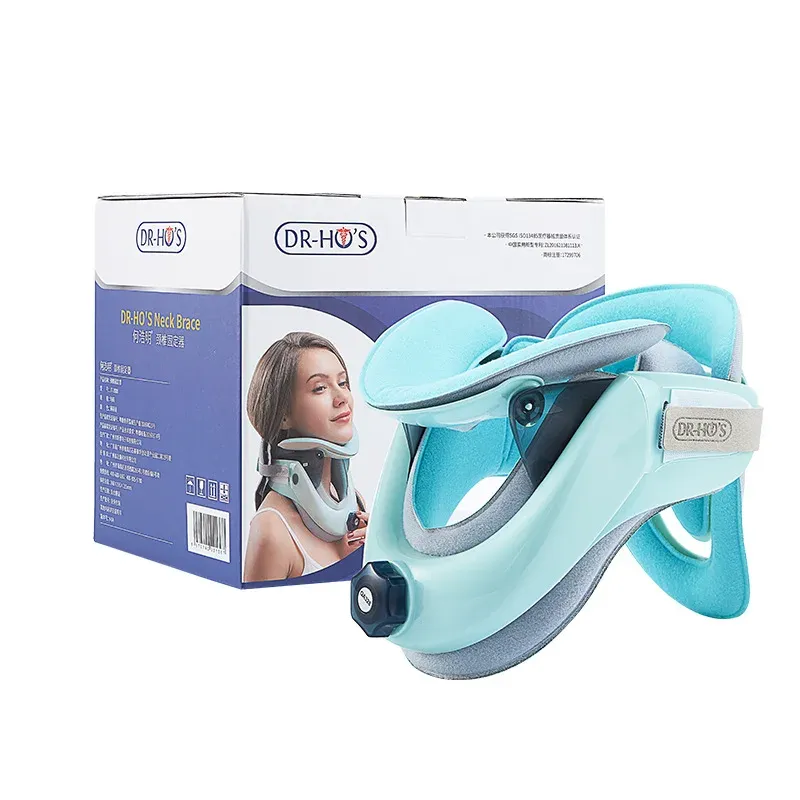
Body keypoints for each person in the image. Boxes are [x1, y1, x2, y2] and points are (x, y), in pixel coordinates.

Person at [244, 332, 367, 581]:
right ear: (283, 415)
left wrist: (367, 556)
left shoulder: (355, 505)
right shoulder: (272, 530)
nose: (342, 398)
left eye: (343, 383)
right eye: (320, 388)